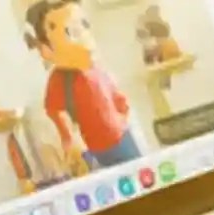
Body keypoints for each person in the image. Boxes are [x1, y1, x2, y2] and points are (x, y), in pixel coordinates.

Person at [24, 0, 142, 169]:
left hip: (122, 136)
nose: (85, 36)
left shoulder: (97, 70)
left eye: (85, 26)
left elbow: (117, 97)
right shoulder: (60, 80)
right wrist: (70, 139)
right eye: (72, 33)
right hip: (94, 147)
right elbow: (55, 111)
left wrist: (122, 115)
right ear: (46, 49)